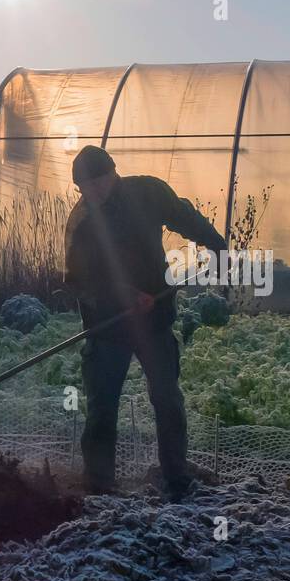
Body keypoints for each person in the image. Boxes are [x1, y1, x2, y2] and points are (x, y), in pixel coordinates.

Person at [63, 145, 227, 501]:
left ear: (112, 173)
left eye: (98, 183)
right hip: (107, 326)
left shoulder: (148, 193)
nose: (93, 193)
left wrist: (215, 244)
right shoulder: (82, 223)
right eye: (85, 188)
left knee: (167, 398)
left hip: (154, 320)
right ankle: (100, 483)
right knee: (103, 405)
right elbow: (78, 282)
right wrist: (121, 294)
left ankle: (176, 476)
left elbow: (184, 217)